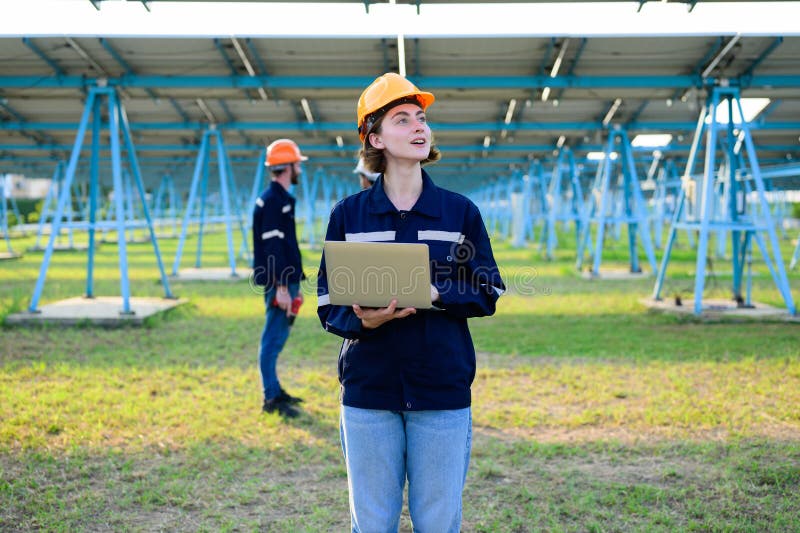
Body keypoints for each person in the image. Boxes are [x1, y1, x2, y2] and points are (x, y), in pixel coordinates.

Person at [316, 73, 505, 532]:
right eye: (402, 119)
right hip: (369, 391)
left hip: (441, 388)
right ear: (375, 137)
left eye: (421, 118)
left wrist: (435, 293)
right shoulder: (349, 215)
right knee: (373, 524)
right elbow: (327, 300)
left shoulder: (460, 213)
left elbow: (488, 289)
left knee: (438, 523)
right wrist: (367, 320)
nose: (419, 127)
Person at [252, 138, 307, 418]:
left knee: (278, 336)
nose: (300, 168)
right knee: (272, 340)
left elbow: (285, 245)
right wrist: (282, 287)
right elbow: (273, 248)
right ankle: (270, 397)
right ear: (287, 167)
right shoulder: (274, 201)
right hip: (279, 283)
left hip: (286, 280)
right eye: (297, 163)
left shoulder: (280, 199)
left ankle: (275, 389)